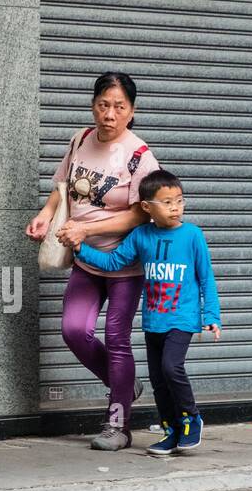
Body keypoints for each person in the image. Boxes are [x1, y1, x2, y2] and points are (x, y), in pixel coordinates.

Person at [26, 72, 160, 450]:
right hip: (85, 260)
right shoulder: (81, 139)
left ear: (131, 112)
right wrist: (46, 214)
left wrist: (86, 231)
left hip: (124, 264)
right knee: (73, 330)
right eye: (103, 105)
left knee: (117, 339)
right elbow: (63, 187)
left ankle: (118, 425)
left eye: (119, 107)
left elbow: (141, 214)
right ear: (93, 106)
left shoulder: (139, 156)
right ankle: (124, 385)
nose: (110, 114)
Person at [72, 169, 220, 455]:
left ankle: (191, 418)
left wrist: (211, 315)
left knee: (171, 367)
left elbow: (206, 277)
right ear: (146, 207)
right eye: (166, 202)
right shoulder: (141, 235)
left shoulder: (192, 235)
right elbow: (115, 262)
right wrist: (80, 249)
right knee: (157, 380)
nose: (175, 207)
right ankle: (171, 431)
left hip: (182, 319)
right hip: (153, 321)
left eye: (179, 200)